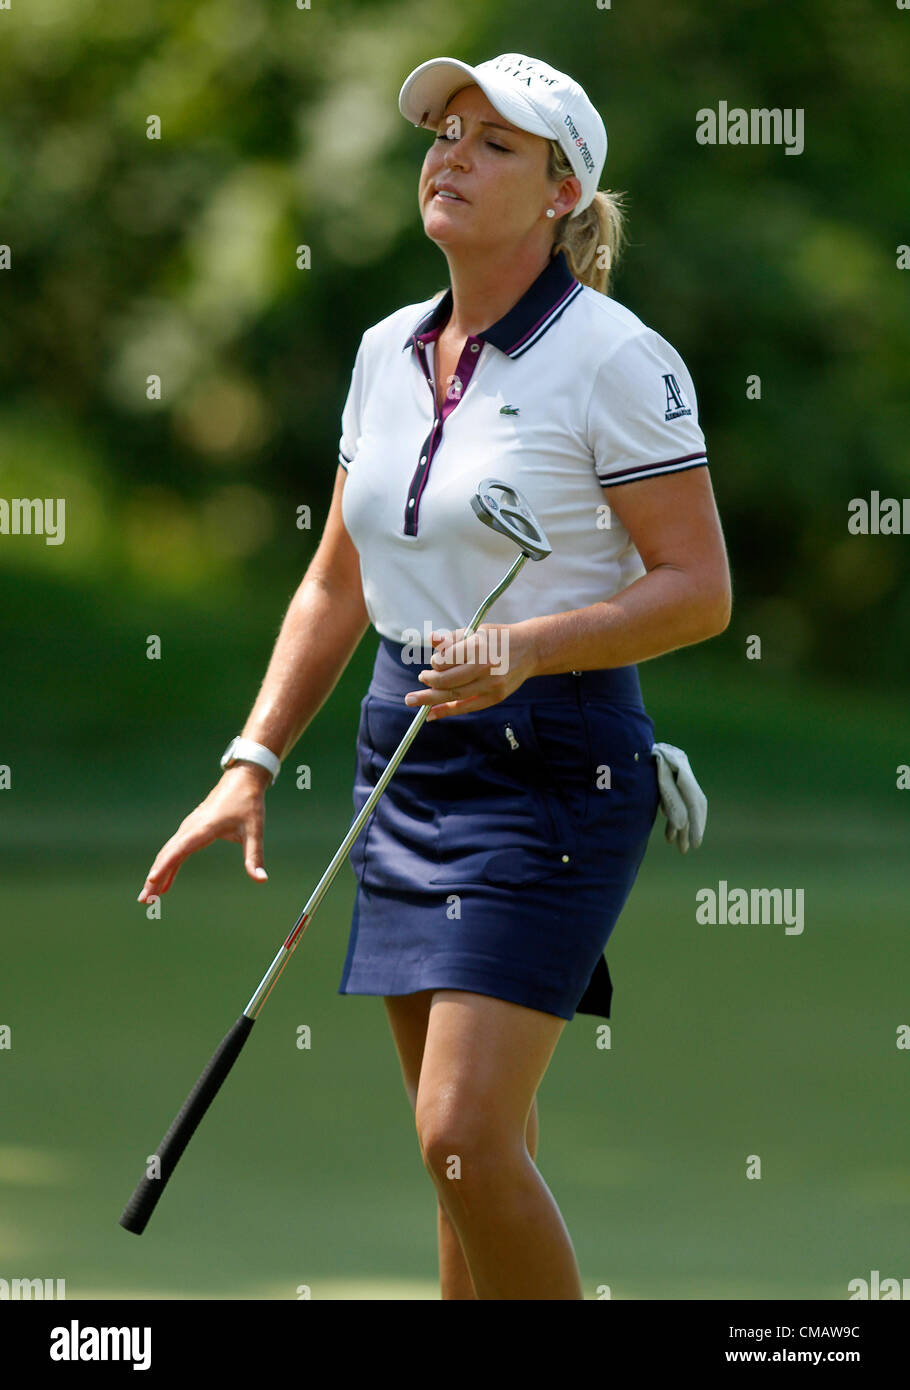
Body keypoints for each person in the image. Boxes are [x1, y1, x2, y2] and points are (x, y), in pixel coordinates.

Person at [138, 53, 731, 1300]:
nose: (451, 154)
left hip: (555, 766)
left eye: (494, 145)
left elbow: (697, 590)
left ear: (562, 192)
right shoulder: (384, 351)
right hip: (405, 762)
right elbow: (336, 585)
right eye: (444, 133)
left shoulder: (616, 359)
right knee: (467, 1163)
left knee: (461, 1137)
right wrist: (250, 760)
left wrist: (524, 647)